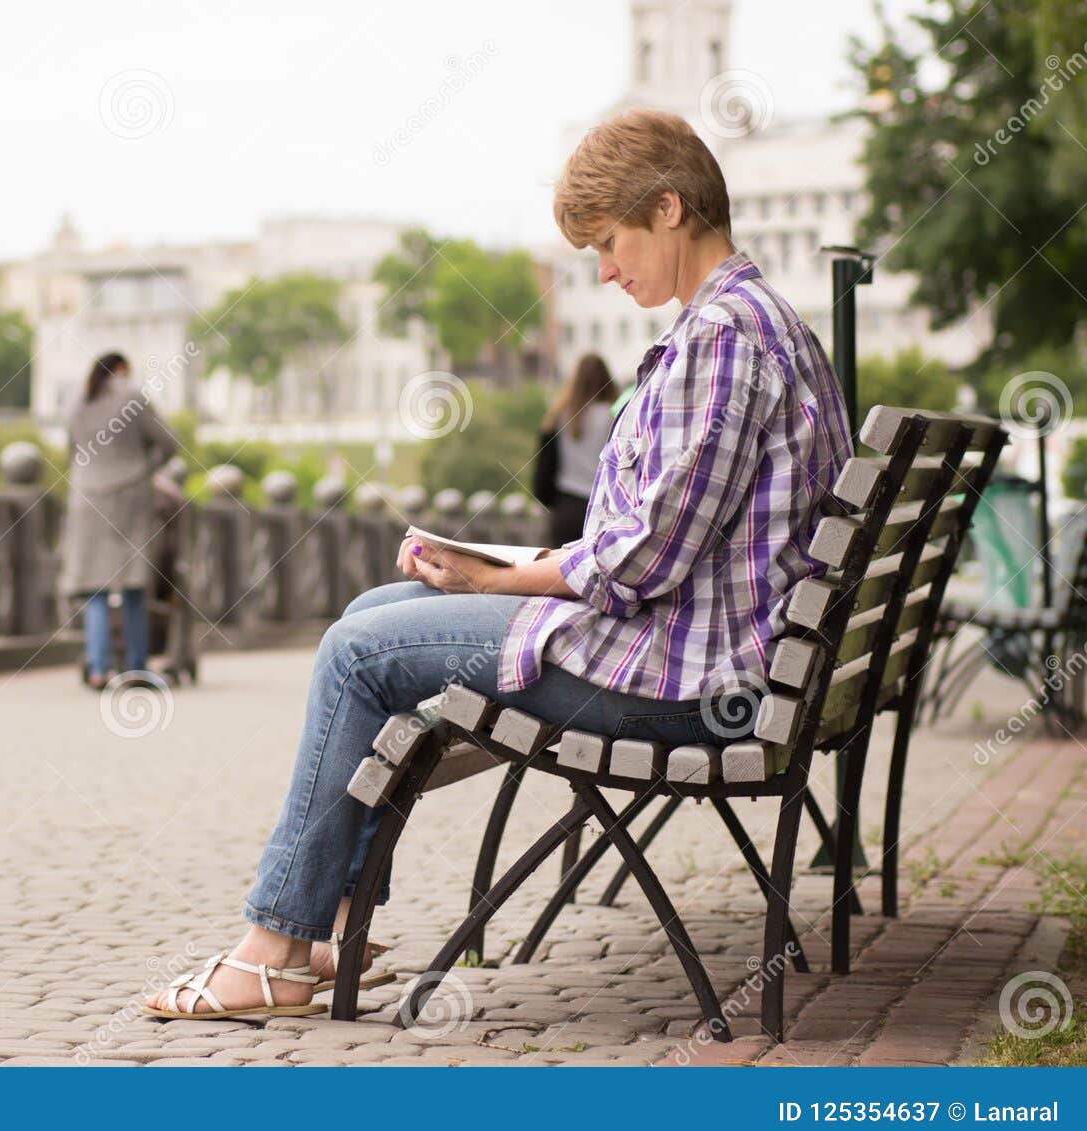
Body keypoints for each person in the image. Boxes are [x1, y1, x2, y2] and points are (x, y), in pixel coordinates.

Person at [145, 107, 852, 1019]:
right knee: (373, 607)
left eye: (610, 242)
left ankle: (276, 944)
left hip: (686, 682)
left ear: (669, 208)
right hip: (727, 660)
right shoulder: (760, 322)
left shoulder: (724, 337)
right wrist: (516, 564)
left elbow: (646, 560)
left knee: (353, 653)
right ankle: (332, 928)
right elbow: (661, 538)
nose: (604, 269)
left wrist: (498, 578)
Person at [59, 352, 181, 690]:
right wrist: (145, 468)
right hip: (130, 497)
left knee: (94, 589)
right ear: (121, 370)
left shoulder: (74, 402)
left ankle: (97, 669)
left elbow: (71, 453)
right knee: (133, 586)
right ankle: (136, 667)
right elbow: (169, 444)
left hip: (85, 498)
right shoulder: (133, 396)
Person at [533, 352, 621, 546]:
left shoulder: (558, 417)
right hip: (605, 511)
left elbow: (542, 476)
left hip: (567, 510)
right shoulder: (616, 416)